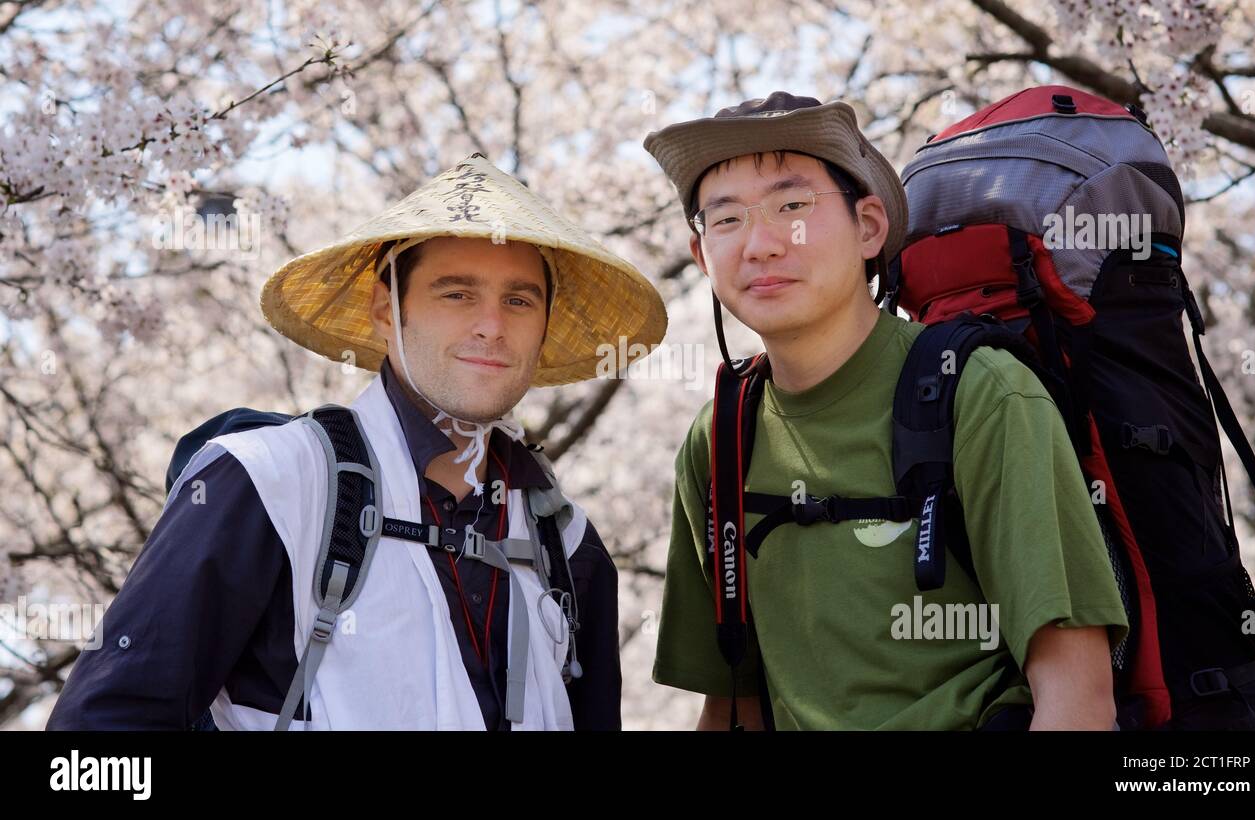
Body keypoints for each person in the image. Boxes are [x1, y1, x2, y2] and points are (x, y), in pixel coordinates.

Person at [46, 153, 667, 730]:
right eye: (456, 293)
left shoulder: (567, 543)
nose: (491, 325)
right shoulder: (269, 482)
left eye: (519, 300)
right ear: (384, 310)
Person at [644, 92, 1128, 730]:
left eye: (792, 206)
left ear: (869, 227)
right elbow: (733, 704)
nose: (759, 244)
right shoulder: (722, 438)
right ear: (702, 255)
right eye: (726, 220)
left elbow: (1078, 699)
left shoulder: (980, 394)